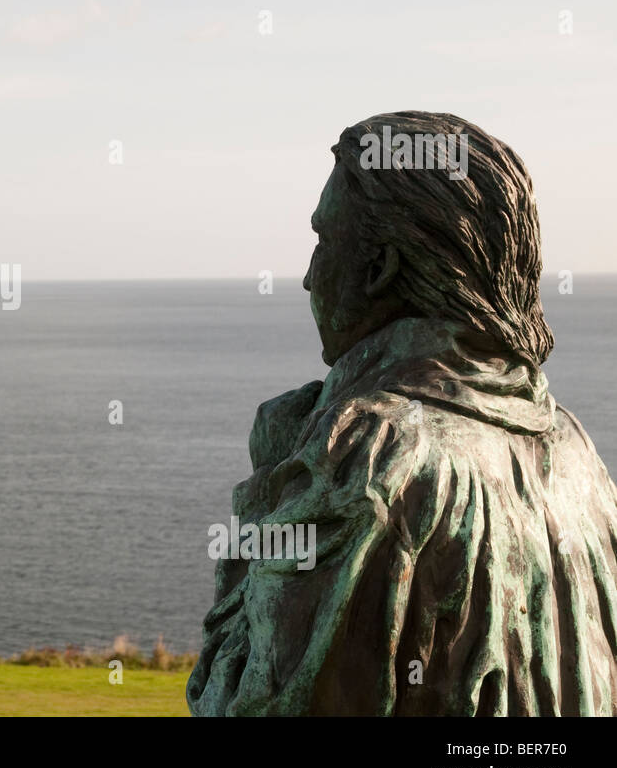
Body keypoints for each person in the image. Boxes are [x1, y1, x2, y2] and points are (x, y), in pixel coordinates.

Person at [188, 111, 617, 716]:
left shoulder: (369, 453)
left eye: (323, 242)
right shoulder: (577, 456)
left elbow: (250, 704)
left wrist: (270, 491)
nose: (309, 278)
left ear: (381, 268)